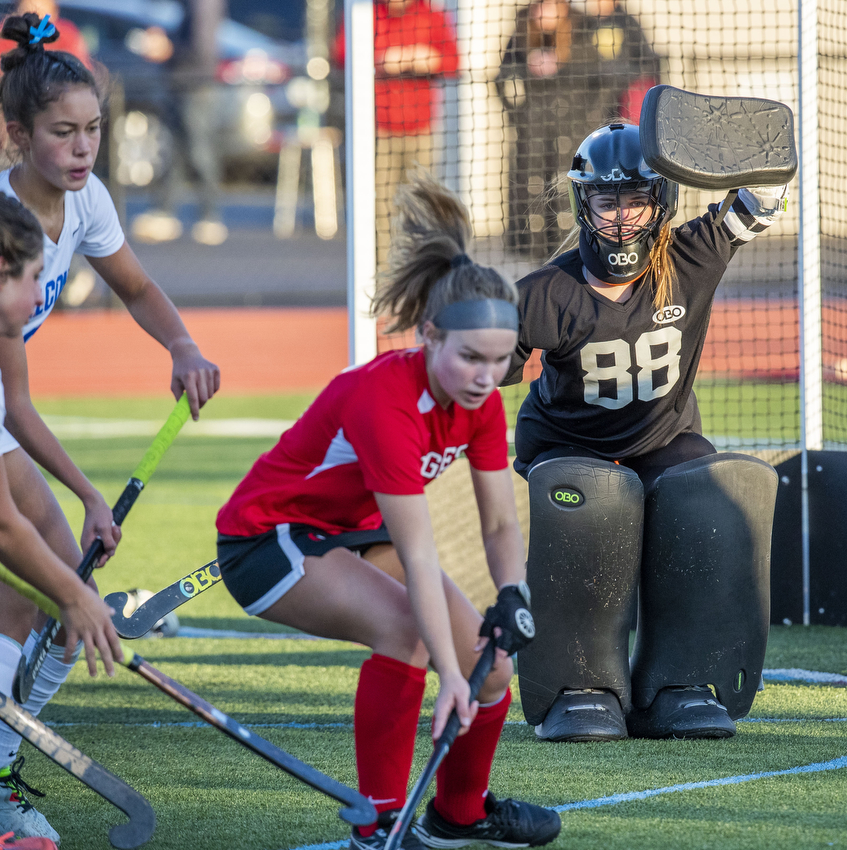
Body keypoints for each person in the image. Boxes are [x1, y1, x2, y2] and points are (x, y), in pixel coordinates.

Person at [215, 174, 561, 850]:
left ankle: (457, 817)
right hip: (270, 541)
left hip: (352, 534)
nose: (486, 377)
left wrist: (512, 593)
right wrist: (447, 675)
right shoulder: (384, 402)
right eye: (469, 358)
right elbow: (421, 552)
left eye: (499, 360)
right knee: (410, 631)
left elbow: (497, 521)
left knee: (493, 667)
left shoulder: (483, 400)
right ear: (430, 335)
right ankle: (378, 825)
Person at [0, 13, 219, 841]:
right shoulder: (1, 227)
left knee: (57, 601)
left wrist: (183, 344)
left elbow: (18, 401)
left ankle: (0, 771)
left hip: (2, 423)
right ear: (17, 136)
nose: (84, 147)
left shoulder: (84, 201)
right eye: (63, 132)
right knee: (49, 597)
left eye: (94, 129)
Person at [503, 121, 787, 743]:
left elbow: (767, 191)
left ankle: (680, 683)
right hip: (568, 448)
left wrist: (725, 142)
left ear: (662, 202)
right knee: (591, 499)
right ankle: (580, 686)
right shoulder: (549, 290)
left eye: (638, 200)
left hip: (662, 440)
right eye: (608, 202)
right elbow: (483, 363)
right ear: (585, 204)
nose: (625, 218)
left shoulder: (691, 255)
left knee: (704, 492)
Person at [0, 195, 122, 846]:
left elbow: (15, 411)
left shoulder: (3, 333)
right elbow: (4, 528)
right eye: (36, 279)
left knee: (18, 600)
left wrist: (88, 497)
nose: (46, 294)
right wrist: (75, 596)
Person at [333, 0, 460, 271]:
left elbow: (453, 59)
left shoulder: (430, 13)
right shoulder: (366, 12)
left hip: (421, 128)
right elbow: (342, 53)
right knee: (379, 208)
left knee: (422, 206)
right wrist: (382, 58)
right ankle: (383, 274)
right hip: (378, 129)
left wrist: (426, 58)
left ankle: (420, 272)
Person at [495, 0, 614, 260]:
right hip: (534, 132)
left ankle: (569, 255)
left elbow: (604, 80)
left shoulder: (581, 31)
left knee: (565, 190)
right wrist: (519, 115)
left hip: (570, 131)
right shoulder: (522, 34)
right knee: (532, 191)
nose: (544, 11)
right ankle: (533, 258)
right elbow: (501, 79)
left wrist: (588, 119)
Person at [129, 0, 229, 246]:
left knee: (199, 150)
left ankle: (209, 215)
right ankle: (167, 212)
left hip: (195, 85)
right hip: (184, 83)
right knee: (172, 150)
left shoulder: (203, 5)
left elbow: (200, 48)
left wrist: (167, 48)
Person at [582, 0, 659, 122]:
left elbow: (645, 60)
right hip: (593, 98)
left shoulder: (628, 23)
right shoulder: (586, 26)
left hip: (622, 98)